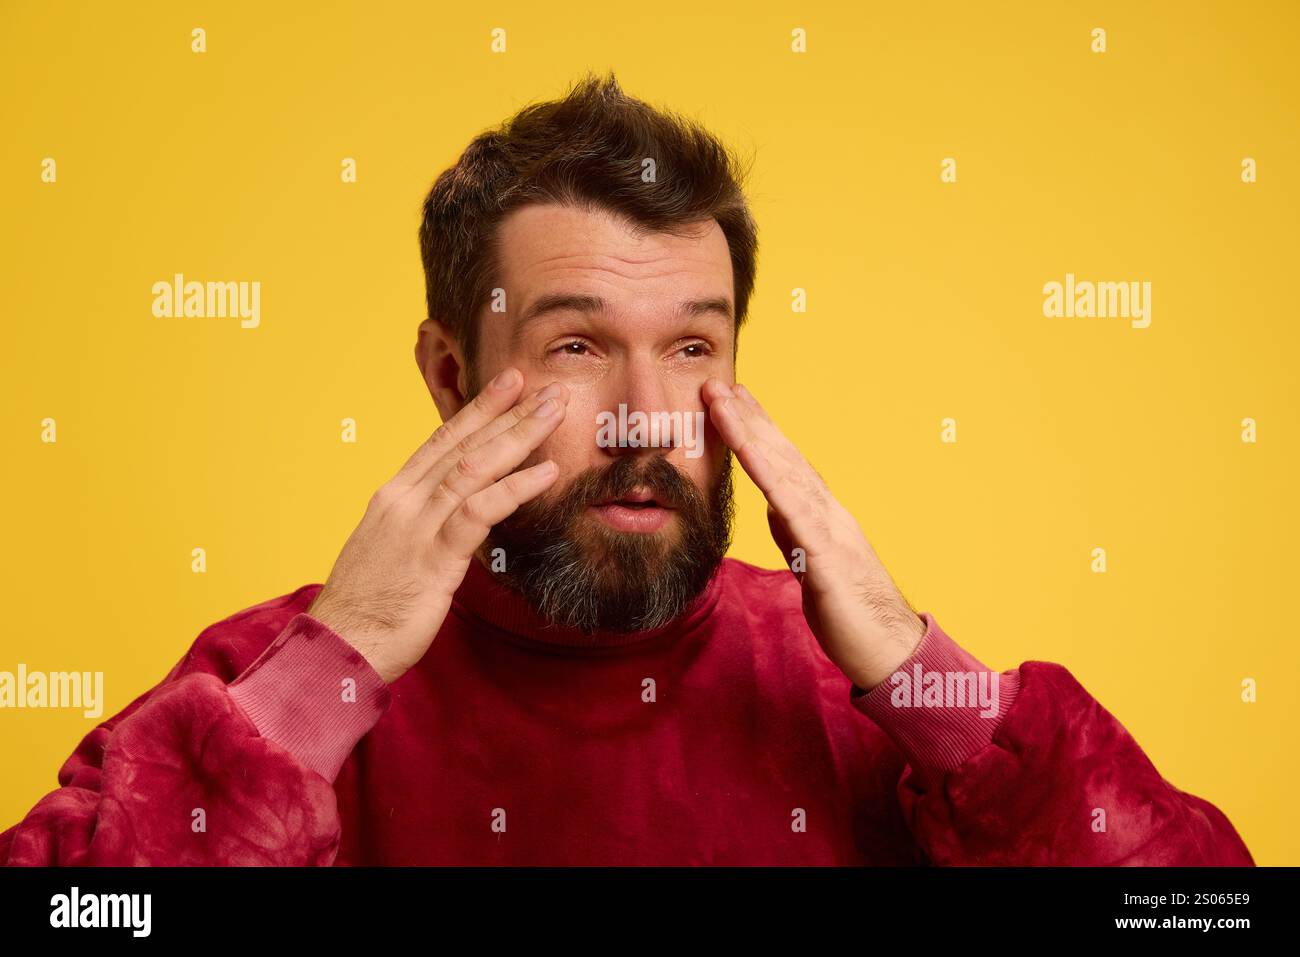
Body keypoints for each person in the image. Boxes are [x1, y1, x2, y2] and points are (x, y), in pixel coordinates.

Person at [1, 71, 1253, 866]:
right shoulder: (270, 687)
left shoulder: (860, 696)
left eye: (694, 346)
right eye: (580, 347)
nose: (651, 419)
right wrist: (337, 665)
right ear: (448, 376)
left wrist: (918, 674)